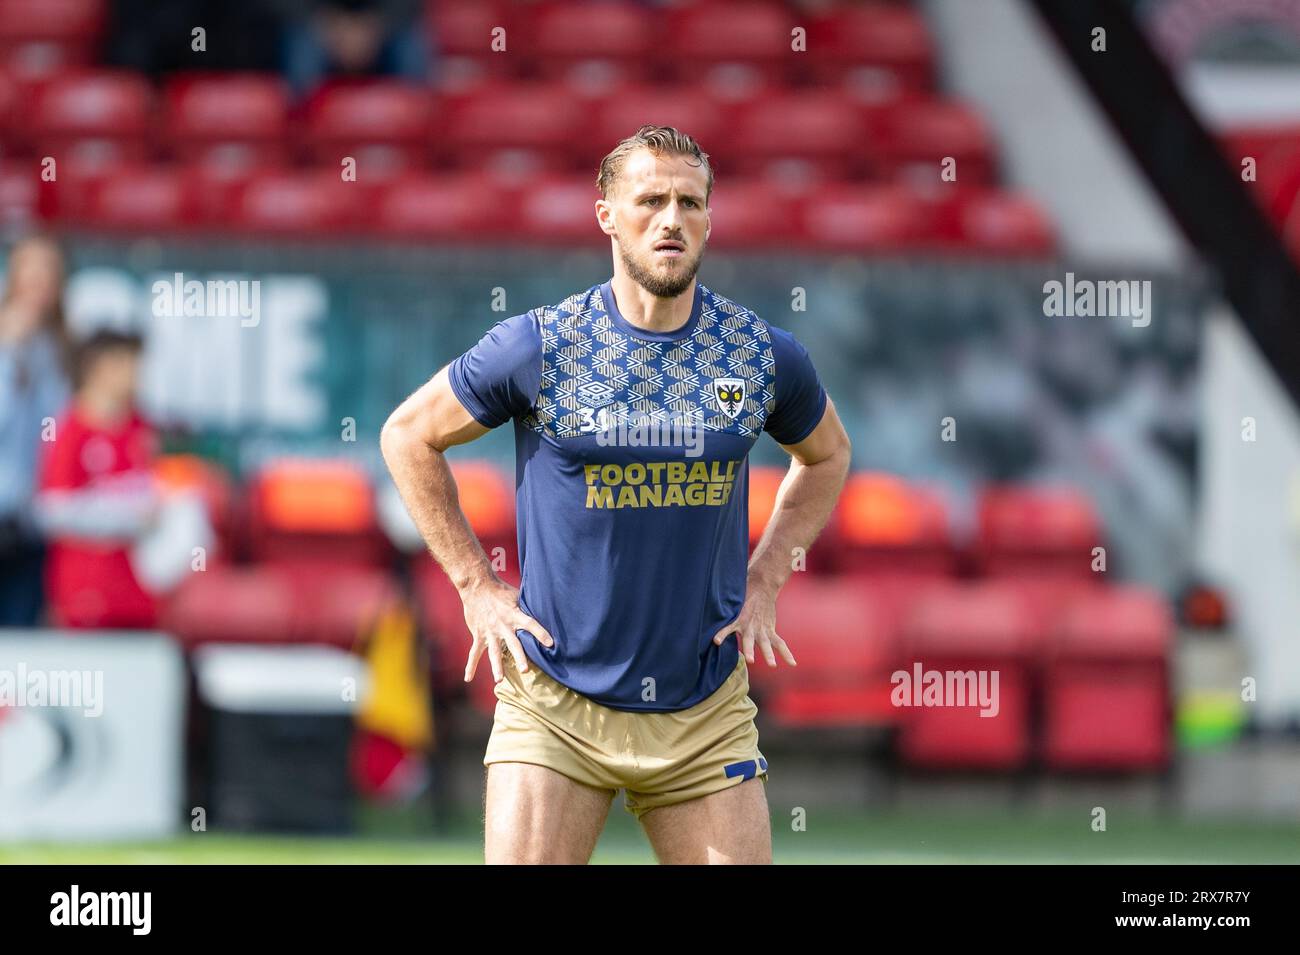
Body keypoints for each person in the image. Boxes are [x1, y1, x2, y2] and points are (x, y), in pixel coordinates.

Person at [381, 125, 851, 864]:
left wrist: (767, 576)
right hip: (556, 704)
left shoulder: (760, 354)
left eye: (690, 203)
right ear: (606, 214)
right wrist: (475, 585)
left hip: (703, 708)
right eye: (651, 200)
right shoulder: (542, 345)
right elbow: (408, 435)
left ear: (709, 217)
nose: (672, 219)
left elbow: (826, 457)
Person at [35, 329, 162, 630]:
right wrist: (124, 517)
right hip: (85, 598)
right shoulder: (69, 429)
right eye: (128, 364)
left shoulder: (141, 427)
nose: (136, 374)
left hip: (139, 597)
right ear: (100, 367)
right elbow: (51, 510)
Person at [0, 235, 72, 626]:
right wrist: (8, 354)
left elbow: (61, 434)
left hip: (33, 528)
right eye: (30, 270)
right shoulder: (7, 345)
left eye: (49, 271)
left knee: (18, 653)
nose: (39, 281)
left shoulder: (61, 351)